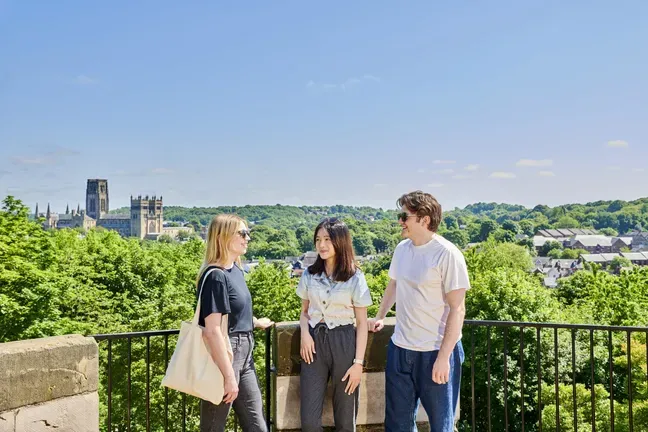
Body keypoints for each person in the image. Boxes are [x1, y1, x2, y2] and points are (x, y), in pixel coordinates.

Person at [368, 191, 470, 432]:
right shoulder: (402, 249)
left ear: (424, 219)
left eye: (405, 216)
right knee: (397, 425)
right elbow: (394, 284)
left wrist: (444, 358)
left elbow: (458, 309)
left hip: (435, 352)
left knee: (441, 426)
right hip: (401, 349)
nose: (400, 222)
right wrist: (380, 316)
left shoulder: (448, 254)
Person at [197, 214, 274, 432]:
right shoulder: (216, 277)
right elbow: (211, 331)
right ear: (223, 237)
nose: (247, 238)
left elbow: (233, 311)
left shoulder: (235, 271)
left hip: (245, 353)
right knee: (213, 427)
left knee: (257, 425)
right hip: (227, 354)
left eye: (248, 233)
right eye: (242, 233)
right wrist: (228, 376)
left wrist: (255, 321)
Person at [296, 218, 372, 432]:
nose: (321, 245)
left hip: (345, 342)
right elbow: (303, 313)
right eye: (318, 239)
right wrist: (304, 333)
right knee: (309, 422)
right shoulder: (309, 275)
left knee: (346, 419)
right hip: (314, 345)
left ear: (340, 242)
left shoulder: (356, 277)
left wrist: (358, 363)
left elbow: (362, 322)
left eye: (327, 239)